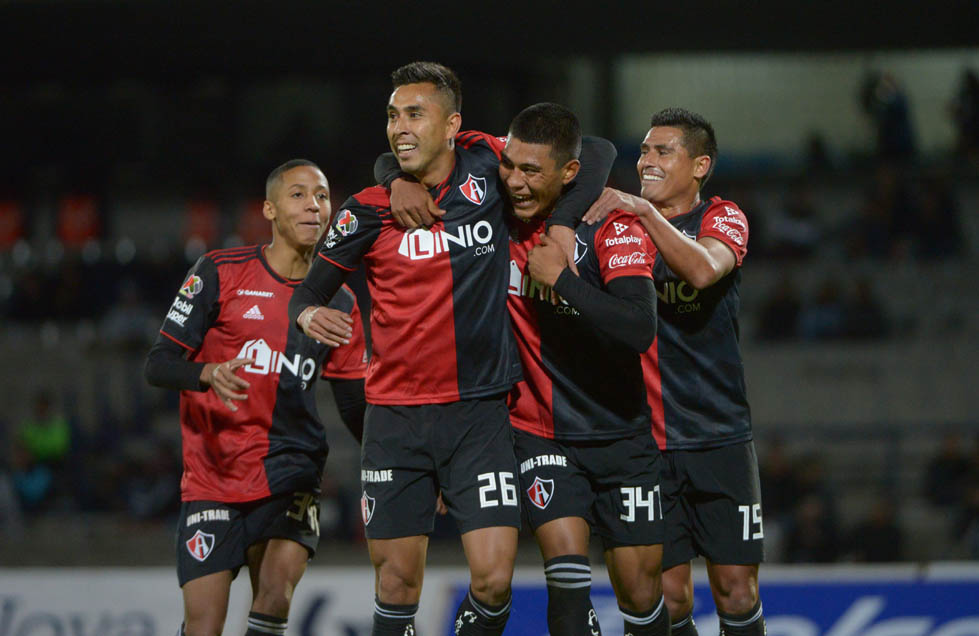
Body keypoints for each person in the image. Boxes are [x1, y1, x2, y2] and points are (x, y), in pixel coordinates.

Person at [290, 62, 612, 636]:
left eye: (415, 113)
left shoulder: (490, 165)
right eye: (392, 115)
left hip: (480, 414)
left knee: (493, 584)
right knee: (395, 587)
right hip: (395, 419)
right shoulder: (366, 209)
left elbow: (597, 151)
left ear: (453, 125)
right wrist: (312, 312)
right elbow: (307, 294)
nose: (399, 127)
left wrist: (563, 223)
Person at [144, 159, 367, 636]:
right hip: (214, 474)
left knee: (274, 597)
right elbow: (158, 364)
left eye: (323, 196)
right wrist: (206, 373)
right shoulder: (221, 272)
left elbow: (352, 404)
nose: (314, 205)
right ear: (269, 209)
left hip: (293, 468)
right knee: (203, 625)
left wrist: (402, 466)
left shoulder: (342, 303)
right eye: (299, 194)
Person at [582, 108, 766, 636]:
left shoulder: (723, 217)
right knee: (670, 595)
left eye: (664, 151)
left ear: (700, 165)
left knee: (737, 590)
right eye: (643, 150)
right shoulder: (616, 230)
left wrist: (643, 211)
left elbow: (703, 269)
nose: (647, 161)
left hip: (721, 438)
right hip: (644, 444)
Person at [503, 104, 668, 635]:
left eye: (532, 172)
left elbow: (639, 327)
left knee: (642, 595)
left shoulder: (611, 225)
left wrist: (564, 281)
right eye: (511, 167)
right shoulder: (496, 217)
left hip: (621, 435)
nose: (516, 181)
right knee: (568, 586)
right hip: (542, 433)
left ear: (568, 174)